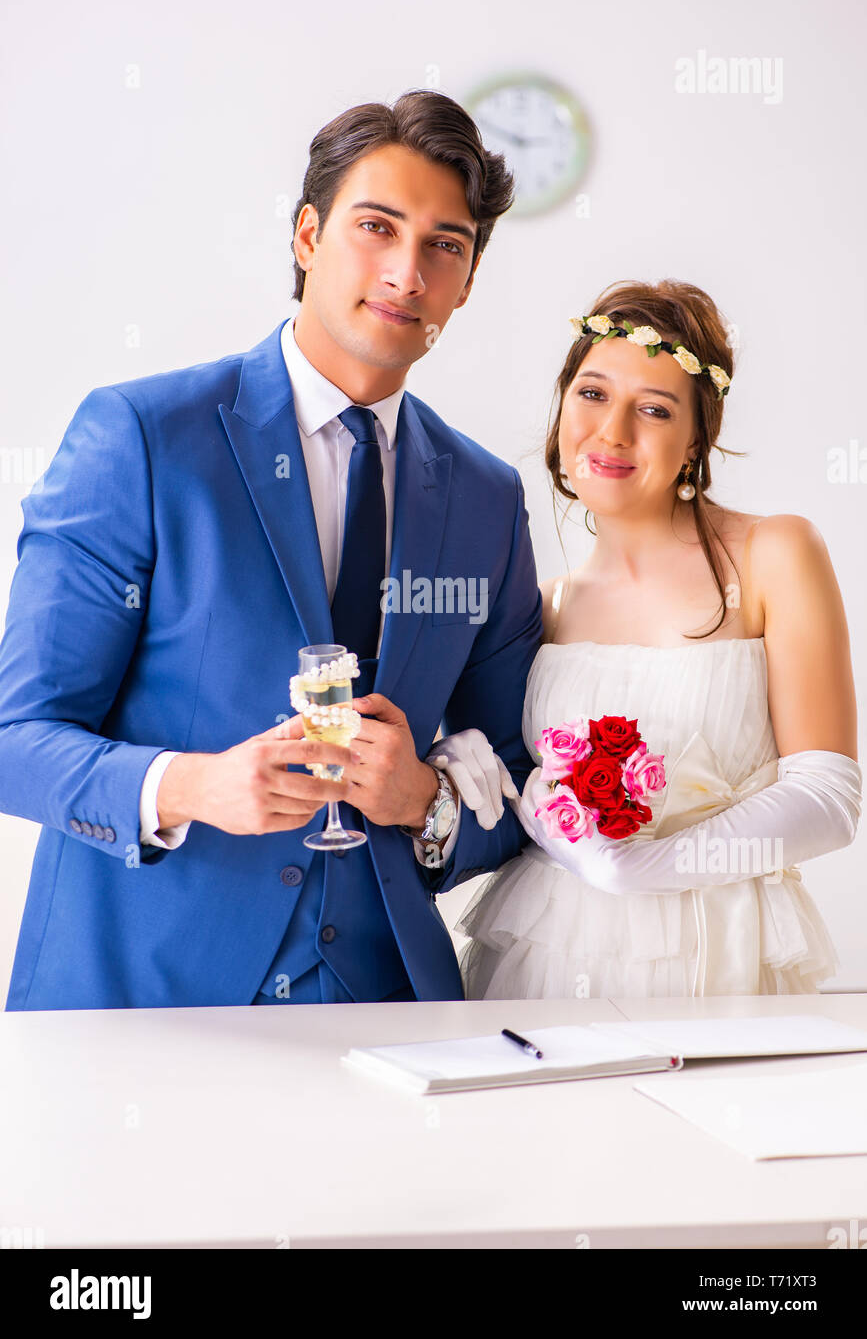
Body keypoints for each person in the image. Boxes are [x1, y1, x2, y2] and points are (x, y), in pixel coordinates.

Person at [0, 89, 542, 1011]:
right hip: (143, 997)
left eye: (444, 245)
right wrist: (191, 787)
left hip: (386, 1007)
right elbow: (17, 739)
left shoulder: (487, 499)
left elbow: (525, 783)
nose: (407, 272)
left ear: (468, 279)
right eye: (377, 226)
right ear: (306, 236)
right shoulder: (141, 434)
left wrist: (423, 801)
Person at [435, 279, 862, 997]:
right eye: (592, 394)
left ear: (696, 437)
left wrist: (643, 869)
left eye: (654, 410)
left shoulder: (773, 555)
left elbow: (828, 797)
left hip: (720, 950)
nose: (611, 433)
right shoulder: (537, 610)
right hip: (548, 951)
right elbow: (511, 788)